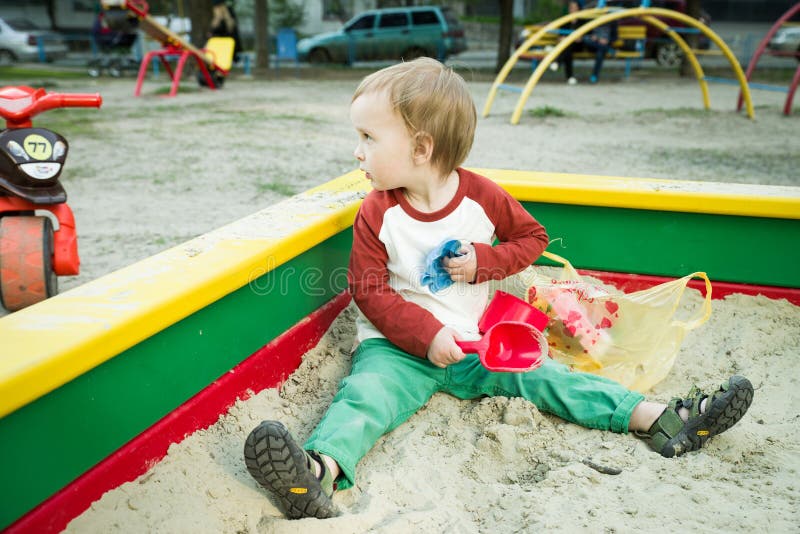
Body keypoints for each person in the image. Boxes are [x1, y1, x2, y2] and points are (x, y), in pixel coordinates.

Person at [243, 57, 754, 520]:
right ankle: (317, 474)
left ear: (422, 148)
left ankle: (664, 420)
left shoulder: (480, 198)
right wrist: (425, 336)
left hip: (475, 345)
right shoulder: (379, 211)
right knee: (365, 398)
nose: (358, 152)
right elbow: (368, 289)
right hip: (396, 350)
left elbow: (531, 239)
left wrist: (484, 262)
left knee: (547, 378)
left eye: (370, 139)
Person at [559, 0, 618, 84]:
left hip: (602, 45)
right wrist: (595, 37)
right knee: (586, 40)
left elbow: (615, 37)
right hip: (591, 43)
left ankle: (594, 76)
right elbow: (588, 33)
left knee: (600, 52)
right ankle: (608, 49)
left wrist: (607, 40)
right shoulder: (593, 17)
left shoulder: (612, 20)